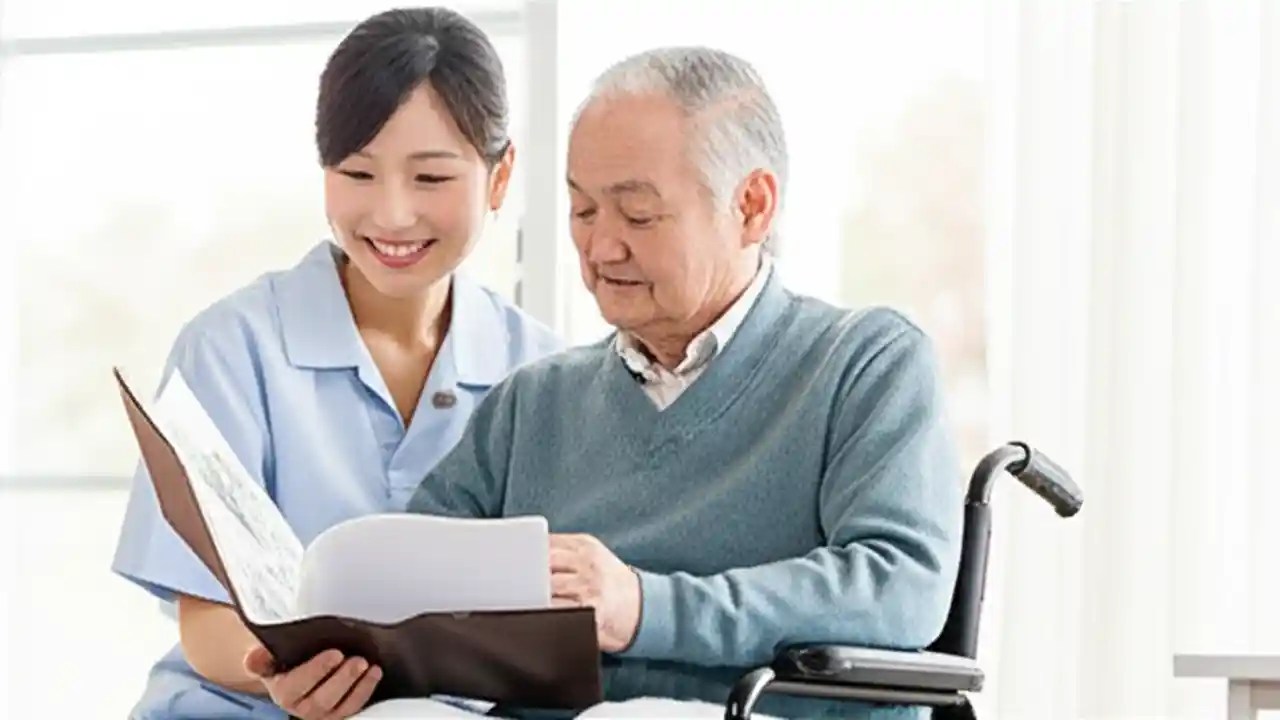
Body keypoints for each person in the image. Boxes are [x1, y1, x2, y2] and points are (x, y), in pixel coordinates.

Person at [352, 46, 964, 719]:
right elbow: (406, 581)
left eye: (637, 215)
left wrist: (643, 606)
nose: (601, 248)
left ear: (752, 208)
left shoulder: (864, 363)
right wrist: (346, 658)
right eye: (582, 212)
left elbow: (900, 587)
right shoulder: (535, 401)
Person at [110, 7, 561, 719]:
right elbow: (205, 621)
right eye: (357, 173)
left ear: (500, 178)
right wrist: (278, 675)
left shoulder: (546, 372)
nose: (391, 214)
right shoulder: (232, 349)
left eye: (432, 179)